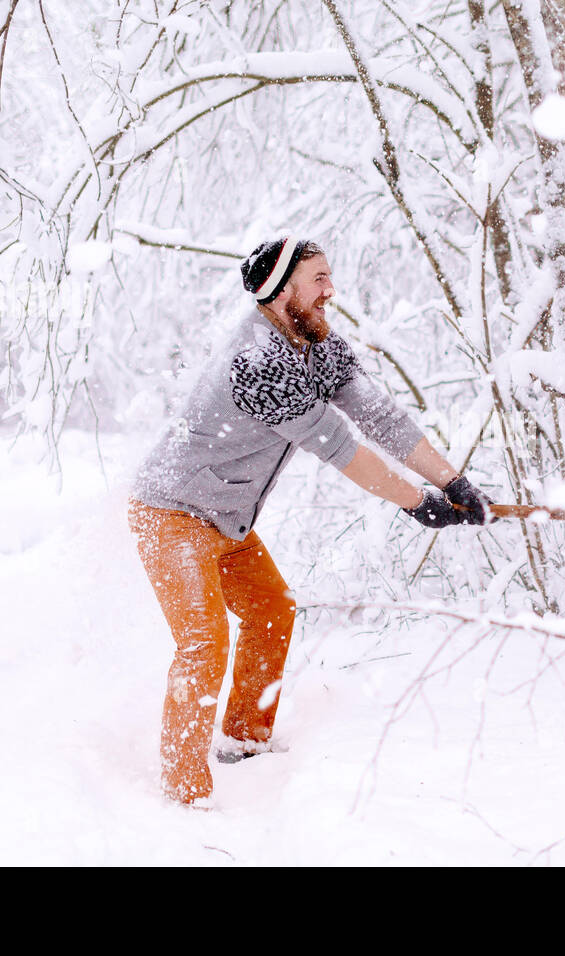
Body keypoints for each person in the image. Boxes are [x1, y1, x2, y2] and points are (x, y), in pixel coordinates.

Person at [128, 236, 492, 804]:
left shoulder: (312, 341)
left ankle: (245, 742)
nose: (331, 290)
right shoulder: (258, 361)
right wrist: (415, 502)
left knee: (271, 609)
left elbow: (377, 415)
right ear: (281, 289)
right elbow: (342, 449)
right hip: (171, 512)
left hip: (226, 519)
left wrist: (451, 481)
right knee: (203, 641)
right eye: (318, 277)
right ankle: (183, 792)